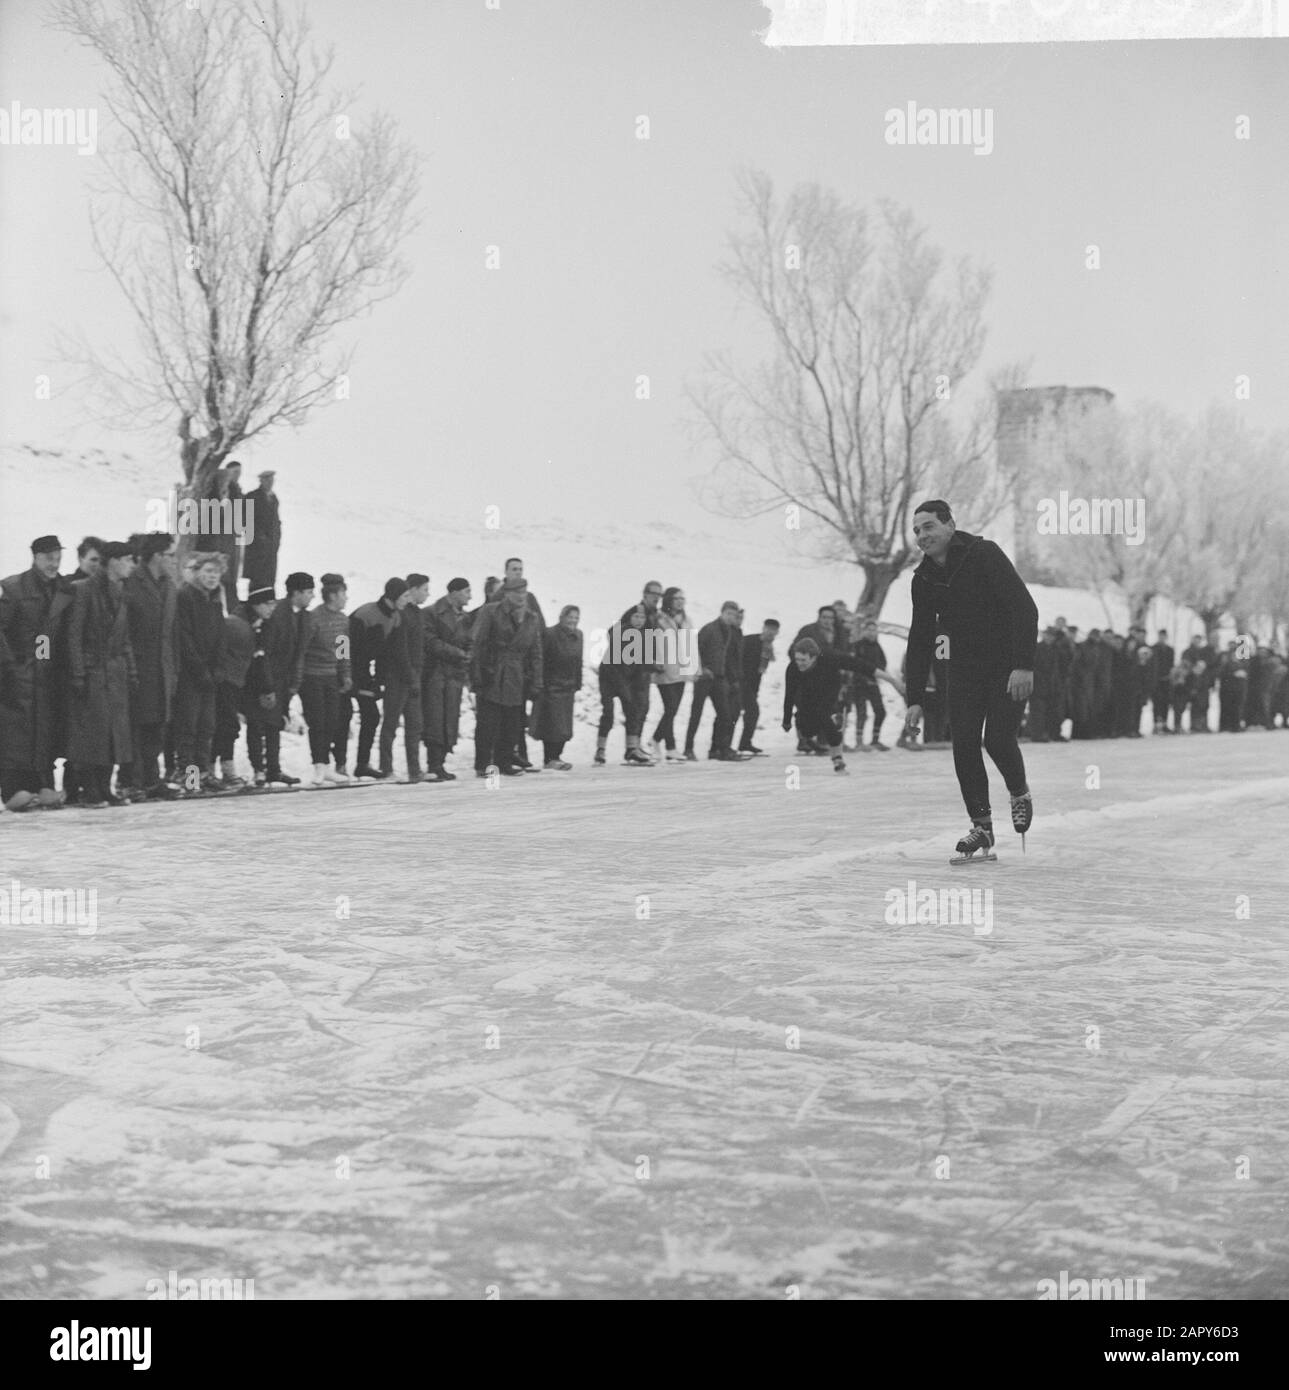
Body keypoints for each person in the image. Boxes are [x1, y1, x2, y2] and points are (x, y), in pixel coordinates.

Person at [903, 500, 1038, 863]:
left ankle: (1019, 792)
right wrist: (913, 696)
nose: (922, 536)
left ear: (949, 525)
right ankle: (982, 826)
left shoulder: (984, 554)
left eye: (928, 526)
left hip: (1007, 666)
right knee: (963, 743)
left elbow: (1025, 608)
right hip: (962, 669)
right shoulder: (924, 578)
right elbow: (920, 637)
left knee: (996, 738)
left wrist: (1024, 665)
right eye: (917, 530)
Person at [0, 536, 76, 810]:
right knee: (15, 734)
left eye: (57, 558)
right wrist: (9, 666)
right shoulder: (13, 587)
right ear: (35, 557)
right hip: (19, 672)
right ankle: (12, 790)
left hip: (48, 673)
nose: (53, 564)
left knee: (45, 730)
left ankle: (41, 784)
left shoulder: (64, 588)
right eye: (48, 558)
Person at [65, 541, 137, 807]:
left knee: (113, 736)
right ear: (114, 562)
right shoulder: (83, 589)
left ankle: (105, 788)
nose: (131, 565)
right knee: (92, 736)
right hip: (93, 671)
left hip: (115, 673)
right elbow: (74, 634)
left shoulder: (120, 591)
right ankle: (90, 789)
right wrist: (78, 674)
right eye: (128, 560)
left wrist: (132, 672)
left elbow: (124, 637)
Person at [783, 636, 899, 774]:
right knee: (807, 729)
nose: (799, 663)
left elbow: (862, 666)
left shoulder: (830, 658)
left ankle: (838, 760)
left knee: (824, 718)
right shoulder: (792, 668)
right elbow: (789, 694)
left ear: (814, 657)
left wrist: (891, 679)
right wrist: (786, 719)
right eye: (797, 659)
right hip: (807, 694)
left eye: (803, 660)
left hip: (829, 689)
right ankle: (829, 721)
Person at [122, 532, 178, 800]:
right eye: (170, 555)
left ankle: (151, 779)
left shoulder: (169, 585)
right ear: (157, 556)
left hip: (162, 668)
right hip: (138, 667)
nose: (173, 561)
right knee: (136, 726)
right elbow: (125, 632)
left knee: (157, 725)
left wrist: (173, 668)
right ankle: (131, 781)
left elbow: (172, 632)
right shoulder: (131, 582)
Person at [471, 576, 543, 776]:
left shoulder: (531, 617)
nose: (521, 597)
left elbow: (536, 652)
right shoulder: (491, 611)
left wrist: (536, 681)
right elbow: (478, 643)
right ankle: (483, 764)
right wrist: (477, 675)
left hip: (517, 675)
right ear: (507, 594)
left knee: (512, 722)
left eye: (524, 593)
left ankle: (504, 762)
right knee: (488, 723)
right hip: (492, 672)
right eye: (517, 593)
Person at [172, 552, 228, 793]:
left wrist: (218, 667)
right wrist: (200, 669)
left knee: (206, 726)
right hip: (190, 674)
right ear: (196, 573)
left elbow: (220, 637)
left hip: (210, 674)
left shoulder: (215, 600)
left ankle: (204, 773)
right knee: (189, 727)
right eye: (207, 572)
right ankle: (189, 775)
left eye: (216, 573)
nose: (212, 577)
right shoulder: (185, 597)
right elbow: (184, 637)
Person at [259, 570, 313, 785]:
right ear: (296, 592)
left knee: (275, 723)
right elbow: (267, 650)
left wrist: (294, 682)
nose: (311, 596)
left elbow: (301, 650)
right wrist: (267, 682)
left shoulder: (305, 616)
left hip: (287, 680)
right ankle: (264, 769)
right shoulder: (278, 612)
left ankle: (273, 768)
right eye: (308, 592)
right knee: (266, 724)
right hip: (271, 677)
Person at [349, 577, 406, 779]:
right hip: (349, 669)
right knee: (344, 717)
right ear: (393, 596)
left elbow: (387, 652)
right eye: (404, 596)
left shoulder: (395, 617)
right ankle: (338, 764)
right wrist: (344, 673)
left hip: (367, 673)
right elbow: (344, 643)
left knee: (371, 717)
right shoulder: (365, 614)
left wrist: (379, 680)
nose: (406, 600)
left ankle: (362, 764)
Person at [300, 575, 353, 785]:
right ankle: (318, 766)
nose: (346, 598)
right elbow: (302, 650)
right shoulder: (314, 618)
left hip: (331, 676)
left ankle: (328, 765)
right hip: (312, 676)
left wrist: (346, 674)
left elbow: (343, 651)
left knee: (333, 720)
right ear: (332, 596)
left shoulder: (343, 620)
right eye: (343, 594)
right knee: (318, 721)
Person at [422, 577, 473, 781]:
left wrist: (469, 654)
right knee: (435, 720)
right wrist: (459, 653)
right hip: (436, 673)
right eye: (466, 591)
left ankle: (440, 763)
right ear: (454, 592)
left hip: (454, 675)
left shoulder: (465, 617)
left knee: (449, 720)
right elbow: (431, 642)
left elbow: (471, 640)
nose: (470, 596)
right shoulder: (432, 613)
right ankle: (433, 764)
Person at [380, 573, 428, 782]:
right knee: (391, 722)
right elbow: (399, 649)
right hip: (398, 675)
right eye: (424, 589)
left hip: (413, 674)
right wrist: (409, 675)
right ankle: (386, 767)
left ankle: (414, 768)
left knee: (414, 725)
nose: (427, 594)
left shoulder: (416, 613)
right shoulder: (400, 615)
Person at [684, 601, 746, 762]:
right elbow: (693, 649)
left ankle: (721, 750)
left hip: (719, 678)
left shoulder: (730, 631)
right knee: (696, 714)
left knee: (725, 715)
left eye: (734, 615)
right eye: (729, 614)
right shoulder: (710, 629)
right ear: (722, 612)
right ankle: (688, 748)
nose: (731, 617)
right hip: (704, 678)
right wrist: (702, 668)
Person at [212, 591, 256, 788]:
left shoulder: (234, 622)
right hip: (225, 680)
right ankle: (195, 779)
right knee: (213, 729)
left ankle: (201, 777)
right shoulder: (238, 626)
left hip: (223, 679)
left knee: (213, 728)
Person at [531, 605, 583, 769]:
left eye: (576, 617)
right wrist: (540, 681)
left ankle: (557, 756)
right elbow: (541, 657)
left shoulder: (578, 635)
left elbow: (578, 660)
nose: (573, 621)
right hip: (552, 685)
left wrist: (577, 682)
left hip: (568, 686)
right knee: (552, 724)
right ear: (562, 617)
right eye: (570, 617)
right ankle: (550, 758)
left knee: (564, 726)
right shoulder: (550, 634)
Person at [649, 587, 697, 762]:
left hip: (681, 670)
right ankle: (655, 740)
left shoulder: (686, 620)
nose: (680, 601)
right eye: (676, 598)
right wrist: (656, 661)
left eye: (682, 598)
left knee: (673, 709)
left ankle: (670, 748)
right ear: (669, 599)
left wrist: (694, 668)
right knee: (670, 708)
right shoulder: (659, 619)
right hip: (665, 668)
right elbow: (653, 642)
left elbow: (691, 645)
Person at [240, 587, 280, 788]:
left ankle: (272, 769)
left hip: (267, 680)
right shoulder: (243, 622)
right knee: (251, 727)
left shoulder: (268, 623)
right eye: (268, 604)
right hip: (245, 682)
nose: (272, 608)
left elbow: (267, 655)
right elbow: (257, 656)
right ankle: (192, 780)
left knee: (272, 725)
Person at [736, 618, 779, 755]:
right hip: (742, 683)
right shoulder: (750, 640)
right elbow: (737, 659)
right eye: (769, 629)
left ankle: (744, 744)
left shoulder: (768, 647)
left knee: (747, 713)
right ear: (764, 628)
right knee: (751, 712)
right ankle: (735, 745)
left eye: (774, 630)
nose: (771, 633)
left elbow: (760, 670)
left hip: (753, 685)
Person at [851, 618, 891, 750]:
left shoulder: (877, 646)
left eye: (874, 630)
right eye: (869, 630)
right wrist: (863, 676)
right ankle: (859, 741)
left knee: (880, 711)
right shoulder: (857, 645)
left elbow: (883, 663)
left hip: (873, 683)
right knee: (861, 713)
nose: (872, 633)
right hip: (859, 684)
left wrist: (876, 674)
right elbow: (853, 664)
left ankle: (875, 739)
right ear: (864, 631)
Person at [242, 469, 282, 591]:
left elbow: (275, 522)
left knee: (270, 580)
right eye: (267, 480)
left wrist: (276, 540)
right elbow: (245, 521)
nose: (270, 483)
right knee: (257, 580)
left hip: (271, 549)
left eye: (271, 480)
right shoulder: (252, 496)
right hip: (257, 549)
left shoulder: (274, 498)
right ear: (261, 481)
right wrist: (259, 538)